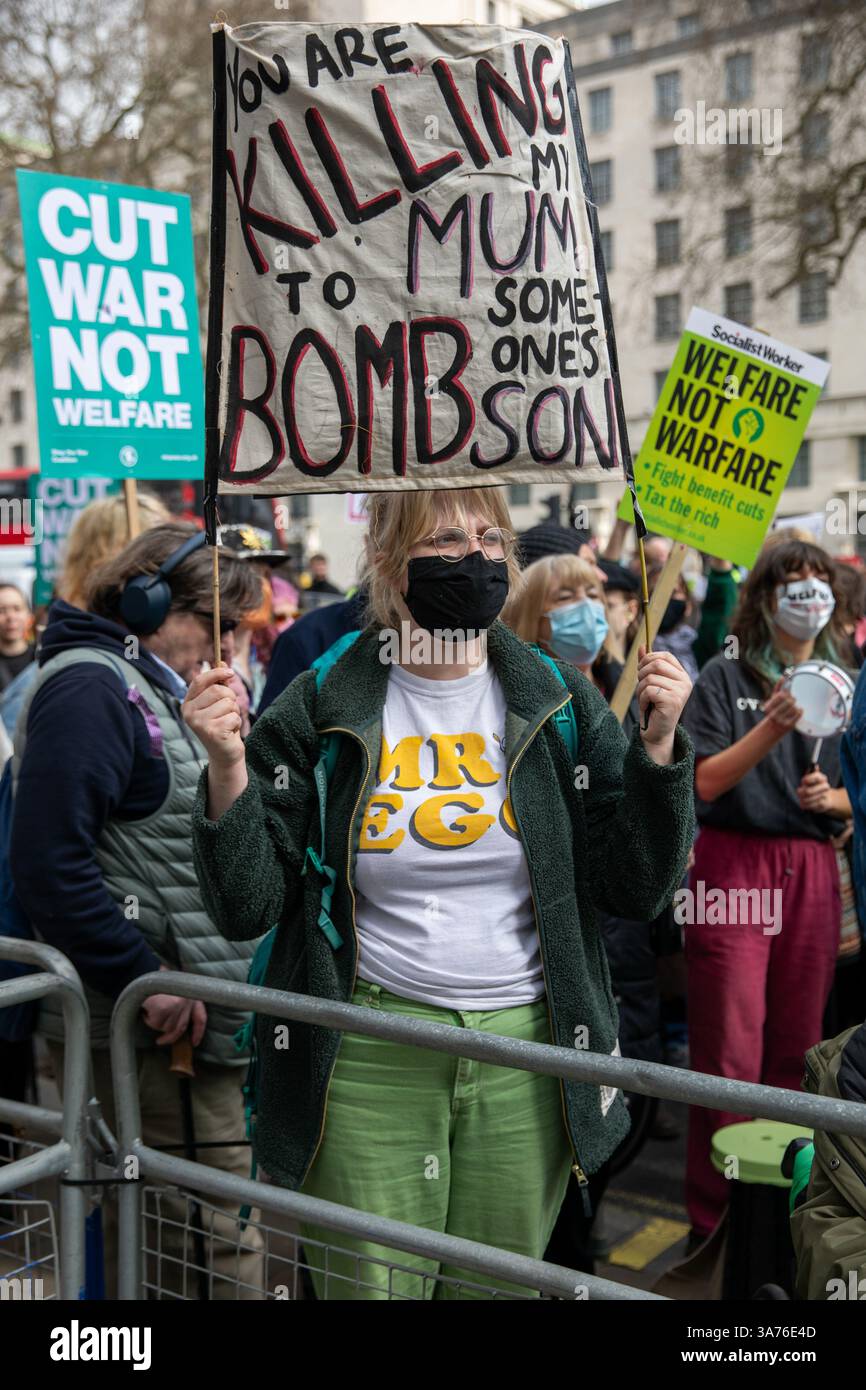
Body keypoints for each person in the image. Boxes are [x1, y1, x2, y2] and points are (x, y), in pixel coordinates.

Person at [185, 485, 695, 1300]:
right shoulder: (321, 702)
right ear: (388, 562)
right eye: (448, 539)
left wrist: (661, 756)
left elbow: (637, 886)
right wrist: (227, 768)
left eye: (493, 539)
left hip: (525, 1061)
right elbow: (246, 903)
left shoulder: (559, 698)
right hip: (366, 1060)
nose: (478, 558)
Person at [10, 523, 265, 1297]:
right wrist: (143, 977)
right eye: (218, 627)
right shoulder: (93, 687)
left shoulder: (147, 683)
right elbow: (50, 863)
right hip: (152, 1033)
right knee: (203, 1241)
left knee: (190, 1233)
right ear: (155, 604)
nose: (227, 649)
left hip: (188, 1026)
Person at [681, 538, 854, 1244]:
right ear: (765, 595)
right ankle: (716, 1219)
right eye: (793, 581)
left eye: (820, 581)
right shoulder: (724, 677)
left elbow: (856, 791)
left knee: (796, 1045)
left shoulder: (849, 678)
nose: (808, 593)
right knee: (729, 1046)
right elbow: (702, 782)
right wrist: (773, 724)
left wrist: (836, 800)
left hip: (809, 868)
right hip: (733, 868)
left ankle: (778, 1210)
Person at [509, 553, 610, 688]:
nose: (586, 604)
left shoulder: (631, 687)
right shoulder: (512, 698)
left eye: (592, 595)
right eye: (565, 597)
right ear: (531, 618)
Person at [0, 584, 35, 692]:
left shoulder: (43, 659)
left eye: (17, 609)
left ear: (29, 616)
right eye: (1, 610)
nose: (11, 617)